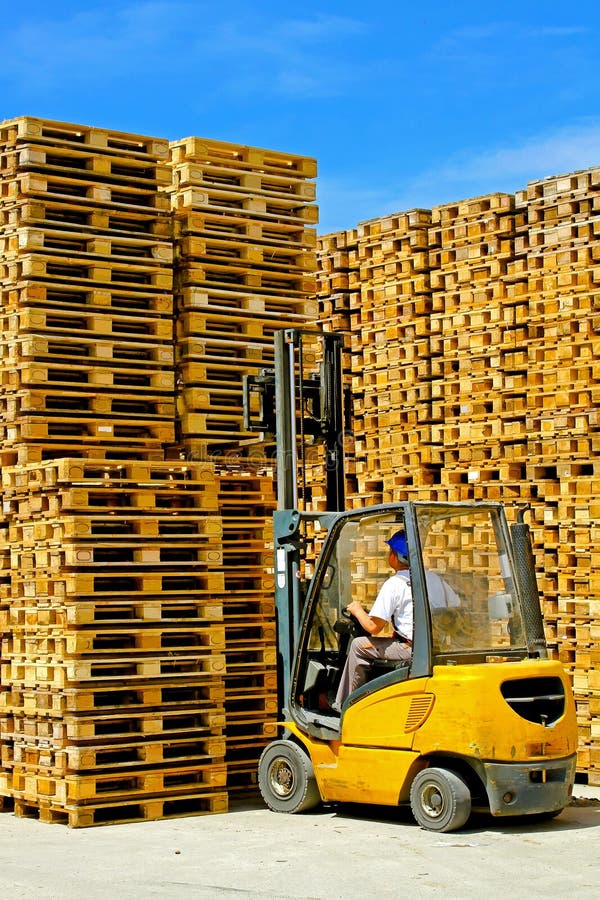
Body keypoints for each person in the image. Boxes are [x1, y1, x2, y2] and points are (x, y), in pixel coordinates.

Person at [334, 530, 413, 710]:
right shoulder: (434, 579)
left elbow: (373, 627)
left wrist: (357, 609)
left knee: (359, 645)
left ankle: (346, 706)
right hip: (433, 649)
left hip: (410, 649)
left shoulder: (396, 584)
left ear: (395, 556)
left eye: (390, 551)